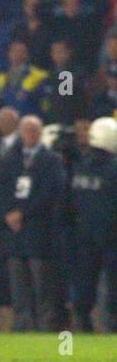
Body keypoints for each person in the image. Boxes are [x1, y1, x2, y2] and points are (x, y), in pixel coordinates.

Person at [0, 115, 67, 331]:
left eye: (34, 130)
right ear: (21, 133)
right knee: (17, 279)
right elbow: (0, 188)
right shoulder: (10, 158)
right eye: (26, 130)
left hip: (38, 228)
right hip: (14, 231)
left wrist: (23, 212)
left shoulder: (51, 160)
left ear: (40, 133)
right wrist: (8, 212)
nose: (30, 134)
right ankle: (22, 322)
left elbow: (51, 192)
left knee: (41, 279)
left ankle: (45, 323)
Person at [65, 117, 117, 332]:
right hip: (111, 237)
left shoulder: (79, 168)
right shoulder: (113, 169)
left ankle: (82, 322)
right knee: (113, 283)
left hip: (83, 235)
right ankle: (112, 323)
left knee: (84, 281)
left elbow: (68, 204)